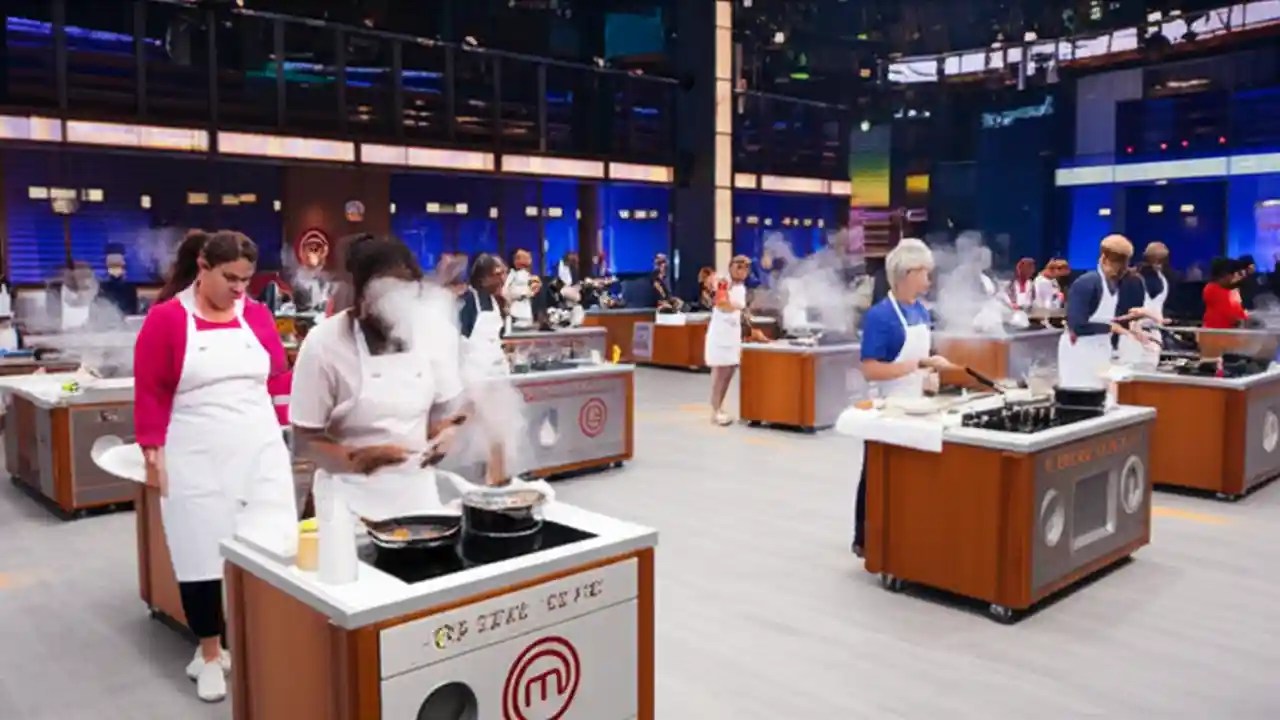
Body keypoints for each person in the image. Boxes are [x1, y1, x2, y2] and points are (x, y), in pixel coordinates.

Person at [133, 230, 297, 703]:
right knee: (199, 554)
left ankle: (263, 644)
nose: (240, 288)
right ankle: (209, 653)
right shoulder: (167, 320)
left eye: (246, 279)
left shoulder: (259, 315)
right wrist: (152, 452)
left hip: (260, 448)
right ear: (203, 267)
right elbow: (151, 391)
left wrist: (291, 431)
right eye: (230, 278)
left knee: (275, 547)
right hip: (196, 453)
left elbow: (277, 376)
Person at [289, 236, 466, 525]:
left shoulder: (434, 332)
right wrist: (356, 459)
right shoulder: (325, 344)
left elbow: (450, 412)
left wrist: (446, 435)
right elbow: (305, 439)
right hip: (347, 504)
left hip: (417, 498)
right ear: (361, 298)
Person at [851, 239, 956, 558]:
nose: (929, 280)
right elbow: (870, 369)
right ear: (909, 273)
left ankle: (908, 534)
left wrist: (932, 374)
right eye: (926, 273)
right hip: (889, 404)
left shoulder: (921, 310)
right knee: (877, 473)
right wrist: (915, 366)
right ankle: (866, 538)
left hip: (919, 404)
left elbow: (925, 354)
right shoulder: (881, 316)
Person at [1058, 235, 1148, 389]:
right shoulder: (1086, 283)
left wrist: (1128, 325)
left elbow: (1104, 319)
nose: (1122, 269)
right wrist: (1112, 328)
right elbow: (1077, 325)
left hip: (1100, 352)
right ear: (1104, 258)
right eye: (1118, 264)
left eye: (1123, 264)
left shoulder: (1113, 285)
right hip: (1079, 353)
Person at [705, 256, 752, 425]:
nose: (742, 271)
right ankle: (715, 409)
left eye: (746, 268)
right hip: (720, 333)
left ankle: (721, 407)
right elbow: (722, 303)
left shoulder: (742, 287)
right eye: (739, 266)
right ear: (731, 267)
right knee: (720, 373)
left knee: (730, 370)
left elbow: (738, 307)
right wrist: (736, 306)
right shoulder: (723, 282)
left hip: (733, 334)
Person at [1117, 243, 1172, 367]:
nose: (1158, 262)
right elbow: (1126, 310)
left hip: (1153, 334)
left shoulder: (1163, 279)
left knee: (1149, 378)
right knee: (1127, 376)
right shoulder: (1133, 278)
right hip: (1132, 334)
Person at [1203, 256, 1249, 329]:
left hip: (1231, 334)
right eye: (1236, 273)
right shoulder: (1212, 289)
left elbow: (1238, 312)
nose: (1238, 277)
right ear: (1225, 274)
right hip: (1216, 334)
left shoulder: (1233, 290)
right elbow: (1231, 315)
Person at [96, 244, 139, 319]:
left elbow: (132, 313)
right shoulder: (101, 287)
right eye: (112, 265)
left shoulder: (130, 288)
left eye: (117, 265)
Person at [503, 249, 539, 328]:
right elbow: (505, 288)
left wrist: (528, 292)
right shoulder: (512, 273)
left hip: (526, 305)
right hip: (515, 305)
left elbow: (534, 290)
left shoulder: (531, 275)